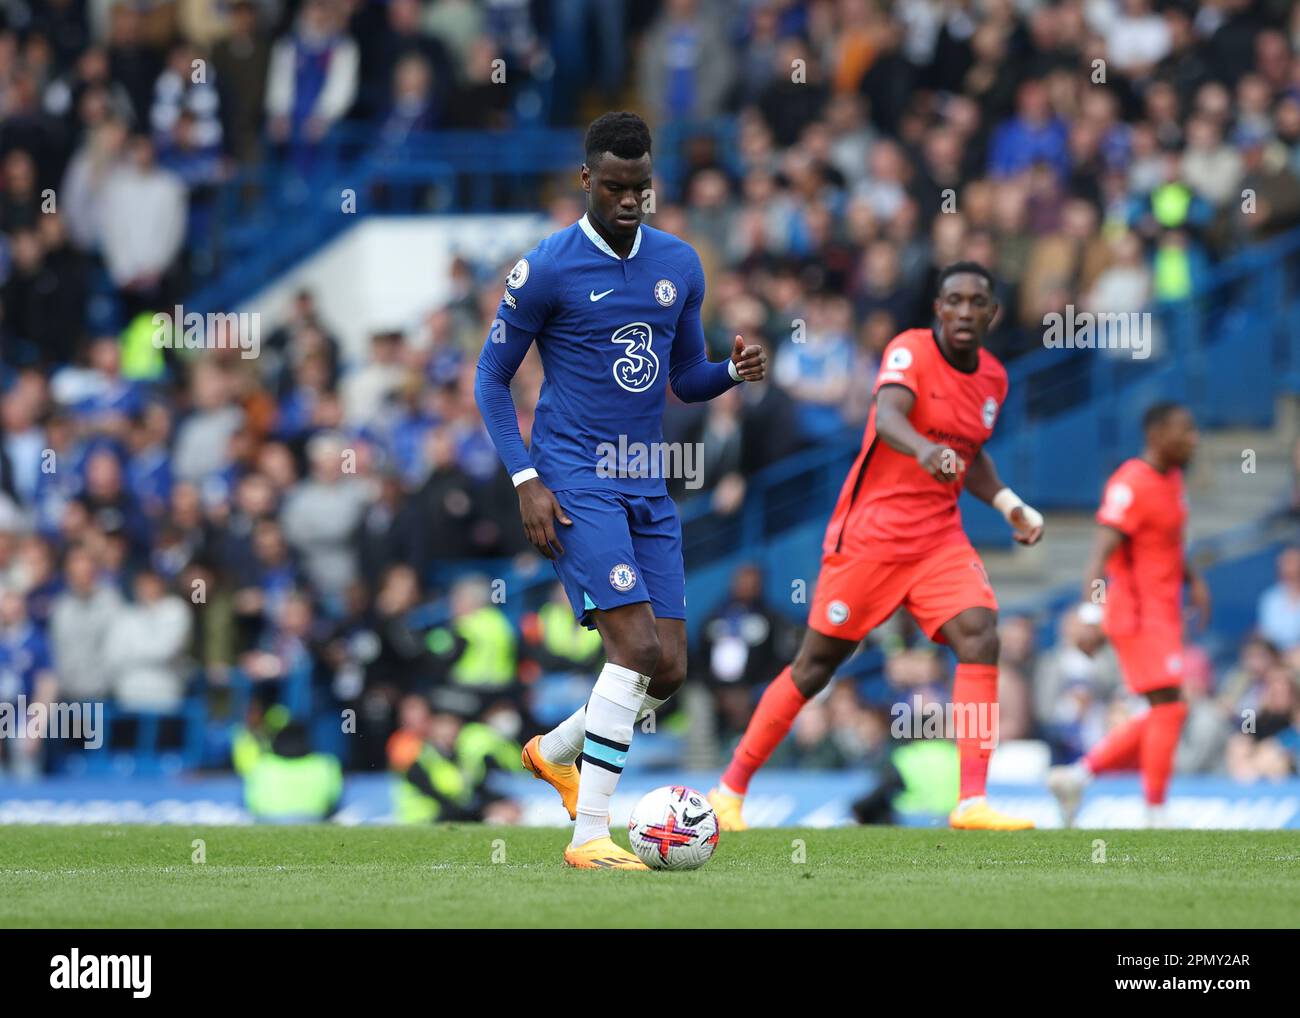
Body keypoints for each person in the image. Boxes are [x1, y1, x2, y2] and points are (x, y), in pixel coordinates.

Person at [474, 112, 766, 869]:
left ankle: (555, 752)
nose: (631, 200)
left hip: (647, 478)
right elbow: (490, 379)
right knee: (632, 647)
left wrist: (730, 372)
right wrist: (526, 478)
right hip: (573, 476)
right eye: (615, 187)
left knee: (668, 667)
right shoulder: (546, 267)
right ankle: (590, 835)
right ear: (586, 182)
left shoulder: (681, 263)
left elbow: (684, 377)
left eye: (641, 187)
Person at [707, 263, 1044, 832]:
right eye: (954, 300)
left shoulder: (993, 379)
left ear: (992, 314)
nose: (964, 311)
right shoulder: (910, 350)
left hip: (938, 538)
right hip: (871, 536)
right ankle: (730, 790)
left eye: (976, 302)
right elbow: (887, 415)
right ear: (938, 309)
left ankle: (972, 802)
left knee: (981, 634)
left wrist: (1009, 503)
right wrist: (922, 449)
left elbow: (972, 452)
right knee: (815, 667)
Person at [1048, 402, 1206, 827]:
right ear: (1157, 435)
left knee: (1167, 710)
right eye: (1185, 431)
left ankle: (1077, 776)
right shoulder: (1129, 484)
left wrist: (1194, 579)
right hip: (1135, 613)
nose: (1193, 439)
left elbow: (1168, 540)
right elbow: (1099, 556)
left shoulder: (1172, 478)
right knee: (1169, 708)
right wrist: (1090, 612)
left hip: (1164, 611)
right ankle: (1155, 811)